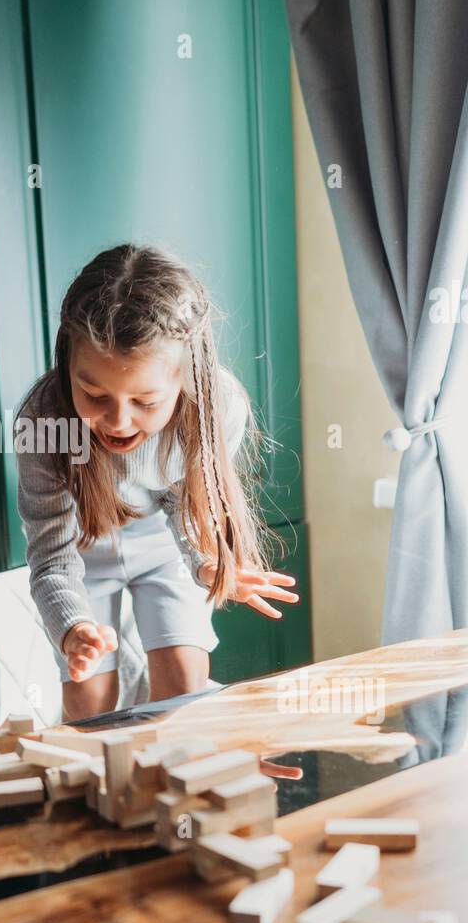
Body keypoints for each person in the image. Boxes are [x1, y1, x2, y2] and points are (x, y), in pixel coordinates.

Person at [16, 244, 300, 721]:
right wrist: (73, 627)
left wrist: (205, 560)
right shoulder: (44, 420)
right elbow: (51, 556)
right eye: (94, 393)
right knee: (89, 699)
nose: (118, 421)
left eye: (145, 401)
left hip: (165, 546)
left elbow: (184, 505)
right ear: (68, 358)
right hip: (82, 550)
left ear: (185, 377)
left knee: (182, 686)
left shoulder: (219, 406)